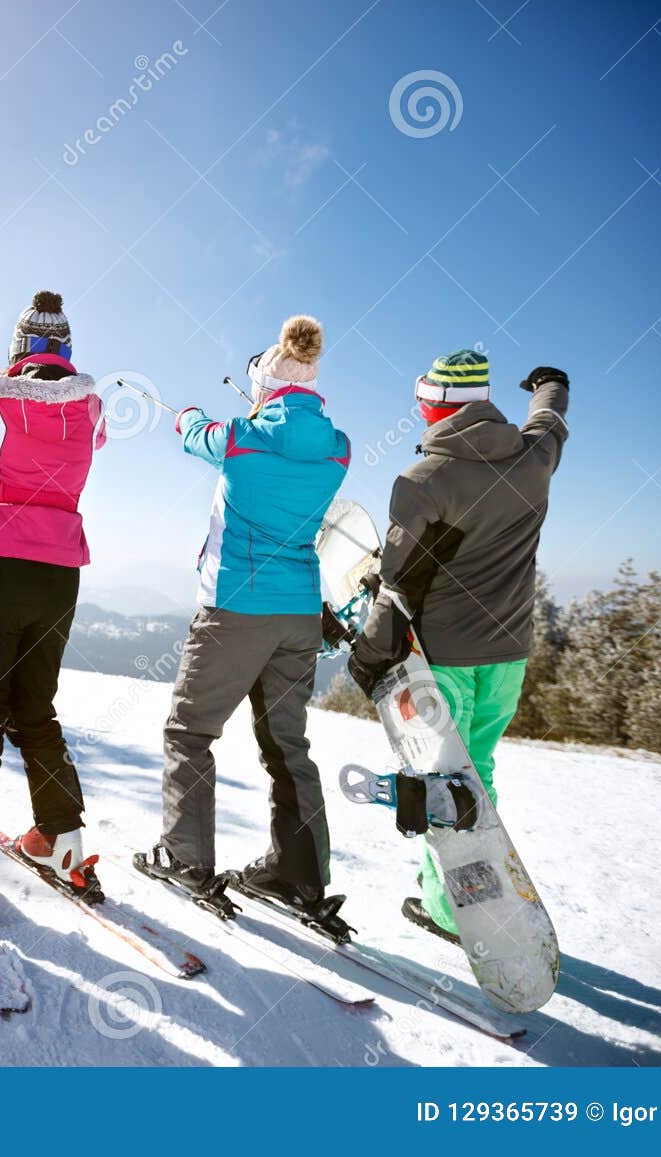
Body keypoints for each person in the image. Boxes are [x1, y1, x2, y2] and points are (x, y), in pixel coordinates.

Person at [348, 352, 570, 942]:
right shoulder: (533, 457)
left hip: (444, 655)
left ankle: (451, 908)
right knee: (478, 770)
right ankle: (467, 890)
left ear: (436, 403)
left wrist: (369, 655)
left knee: (444, 782)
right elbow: (550, 420)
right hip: (509, 652)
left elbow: (398, 587)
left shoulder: (424, 481)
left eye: (421, 395)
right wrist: (550, 385)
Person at [140, 315, 350, 911]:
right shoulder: (338, 450)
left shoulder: (239, 436)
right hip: (300, 613)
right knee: (288, 745)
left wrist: (186, 415)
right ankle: (300, 874)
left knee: (189, 731)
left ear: (265, 386)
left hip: (234, 607)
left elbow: (193, 432)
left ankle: (186, 858)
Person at [0, 292, 107, 918]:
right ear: (66, 353)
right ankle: (63, 840)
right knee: (36, 709)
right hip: (59, 574)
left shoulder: (1, 401)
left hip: (1, 565)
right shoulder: (89, 408)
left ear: (20, 351)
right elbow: (99, 436)